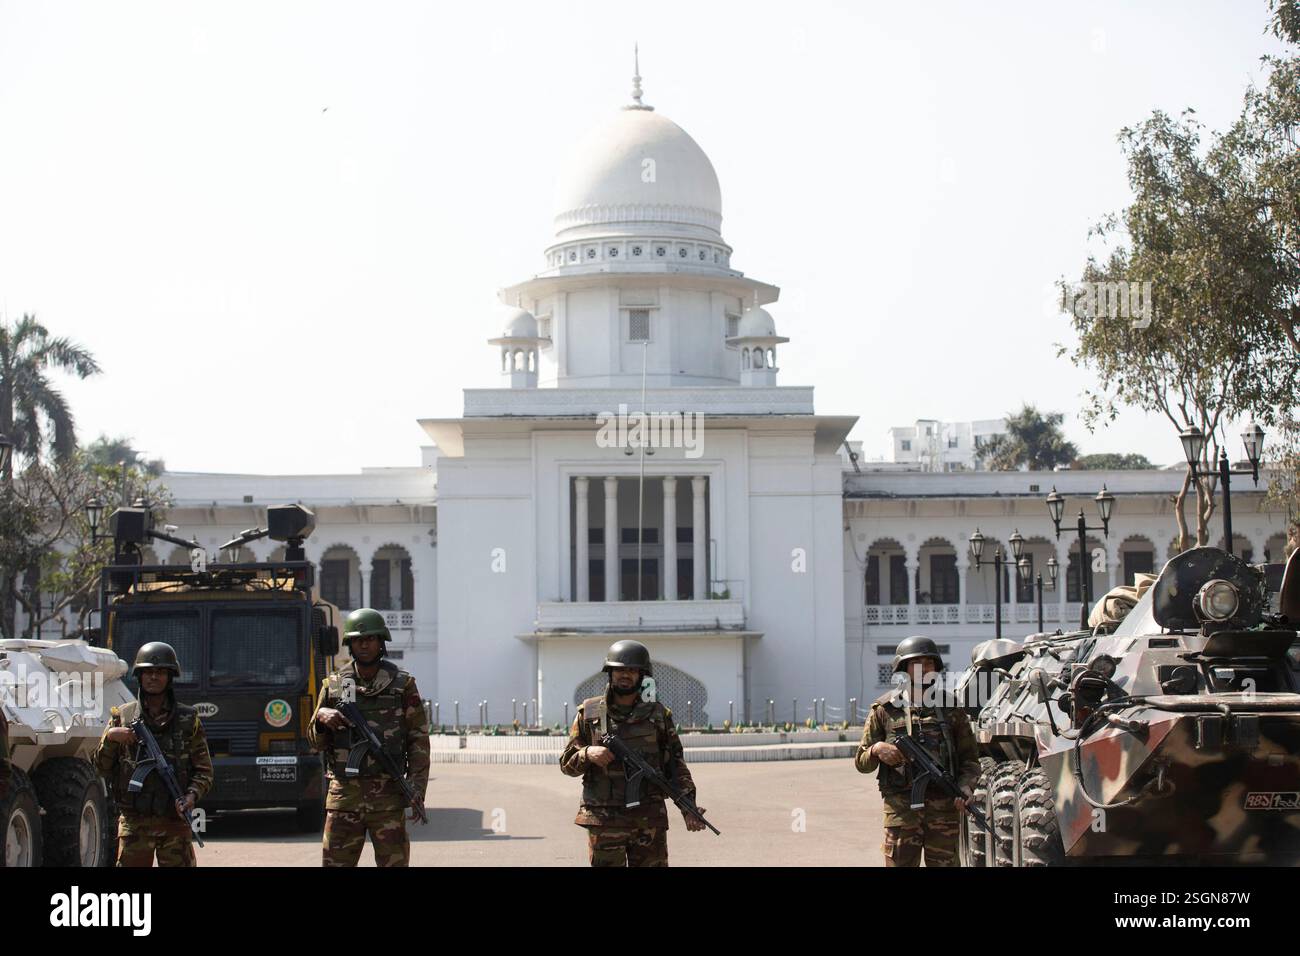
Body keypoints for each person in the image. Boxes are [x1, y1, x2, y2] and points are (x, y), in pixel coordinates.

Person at [560, 639, 706, 866]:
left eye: (631, 670)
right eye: (619, 670)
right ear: (610, 673)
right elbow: (566, 764)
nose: (625, 675)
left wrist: (688, 807)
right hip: (604, 821)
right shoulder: (589, 714)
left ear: (642, 675)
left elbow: (675, 767)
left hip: (649, 820)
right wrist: (587, 753)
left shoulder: (658, 715)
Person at [309, 607, 429, 867]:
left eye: (371, 638)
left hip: (387, 799)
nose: (364, 644)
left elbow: (418, 741)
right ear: (349, 644)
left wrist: (417, 789)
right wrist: (322, 719)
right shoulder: (338, 684)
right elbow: (315, 742)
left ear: (381, 642)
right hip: (344, 799)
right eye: (358, 640)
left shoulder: (401, 685)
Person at [855, 635, 980, 867]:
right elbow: (861, 762)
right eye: (917, 663)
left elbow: (970, 760)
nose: (925, 669)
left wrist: (966, 785)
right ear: (905, 668)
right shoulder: (885, 710)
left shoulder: (950, 709)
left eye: (930, 663)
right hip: (901, 815)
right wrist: (876, 749)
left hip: (944, 813)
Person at [93, 641, 213, 867]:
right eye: (148, 671)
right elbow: (100, 768)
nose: (153, 677)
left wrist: (191, 796)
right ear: (140, 676)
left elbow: (204, 771)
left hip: (174, 821)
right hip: (134, 823)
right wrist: (110, 737)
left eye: (160, 672)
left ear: (170, 677)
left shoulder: (188, 719)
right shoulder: (122, 717)